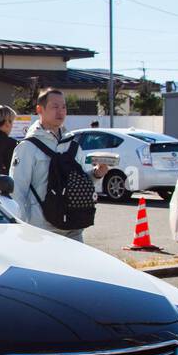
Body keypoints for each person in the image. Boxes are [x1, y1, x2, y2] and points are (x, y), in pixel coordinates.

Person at [10, 89, 108, 242]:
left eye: (63, 107)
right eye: (55, 107)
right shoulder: (28, 147)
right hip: (41, 229)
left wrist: (96, 174)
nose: (60, 111)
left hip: (74, 225)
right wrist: (22, 226)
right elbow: (17, 190)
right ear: (39, 110)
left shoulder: (72, 144)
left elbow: (79, 180)